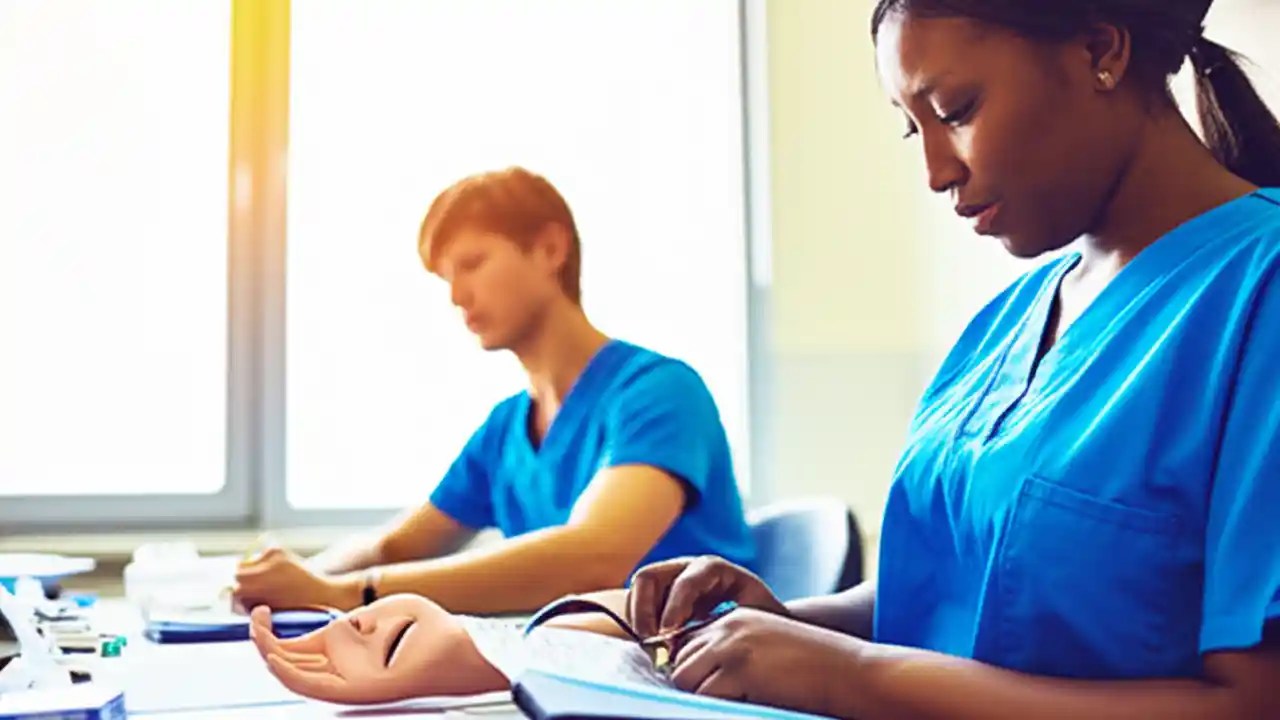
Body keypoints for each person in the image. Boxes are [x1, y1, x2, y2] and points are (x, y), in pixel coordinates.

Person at [622, 1, 1280, 718]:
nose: (936, 172)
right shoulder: (1007, 322)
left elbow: (1253, 703)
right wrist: (785, 625)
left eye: (957, 110)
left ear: (1102, 51)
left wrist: (851, 676)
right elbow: (967, 594)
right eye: (915, 129)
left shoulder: (1258, 292)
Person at [233, 167, 755, 615]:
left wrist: (348, 594)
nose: (457, 296)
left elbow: (595, 556)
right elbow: (397, 546)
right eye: (445, 279)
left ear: (550, 249)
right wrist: (292, 581)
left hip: (688, 675)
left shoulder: (660, 392)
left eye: (473, 264)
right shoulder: (506, 429)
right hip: (574, 661)